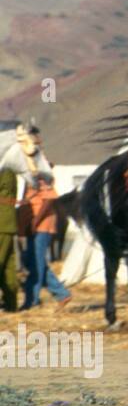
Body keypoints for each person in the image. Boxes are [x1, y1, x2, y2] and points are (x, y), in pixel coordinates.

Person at [15, 126, 71, 308]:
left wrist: (36, 221)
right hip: (34, 222)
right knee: (32, 260)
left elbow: (48, 200)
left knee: (36, 263)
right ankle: (61, 294)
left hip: (42, 223)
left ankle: (32, 300)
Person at [0, 168, 19, 312]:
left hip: (1, 222)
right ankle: (11, 304)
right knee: (8, 266)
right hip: (7, 222)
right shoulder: (9, 168)